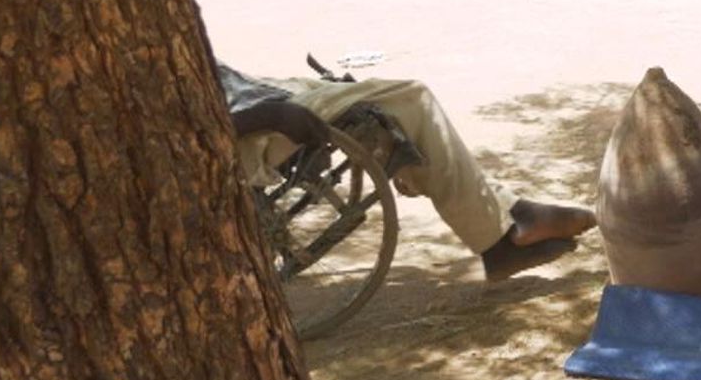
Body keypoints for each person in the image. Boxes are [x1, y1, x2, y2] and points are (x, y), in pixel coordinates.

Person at [219, 62, 595, 279]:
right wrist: (270, 115)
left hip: (242, 97)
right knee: (412, 98)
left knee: (385, 102)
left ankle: (507, 212)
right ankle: (500, 236)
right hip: (241, 126)